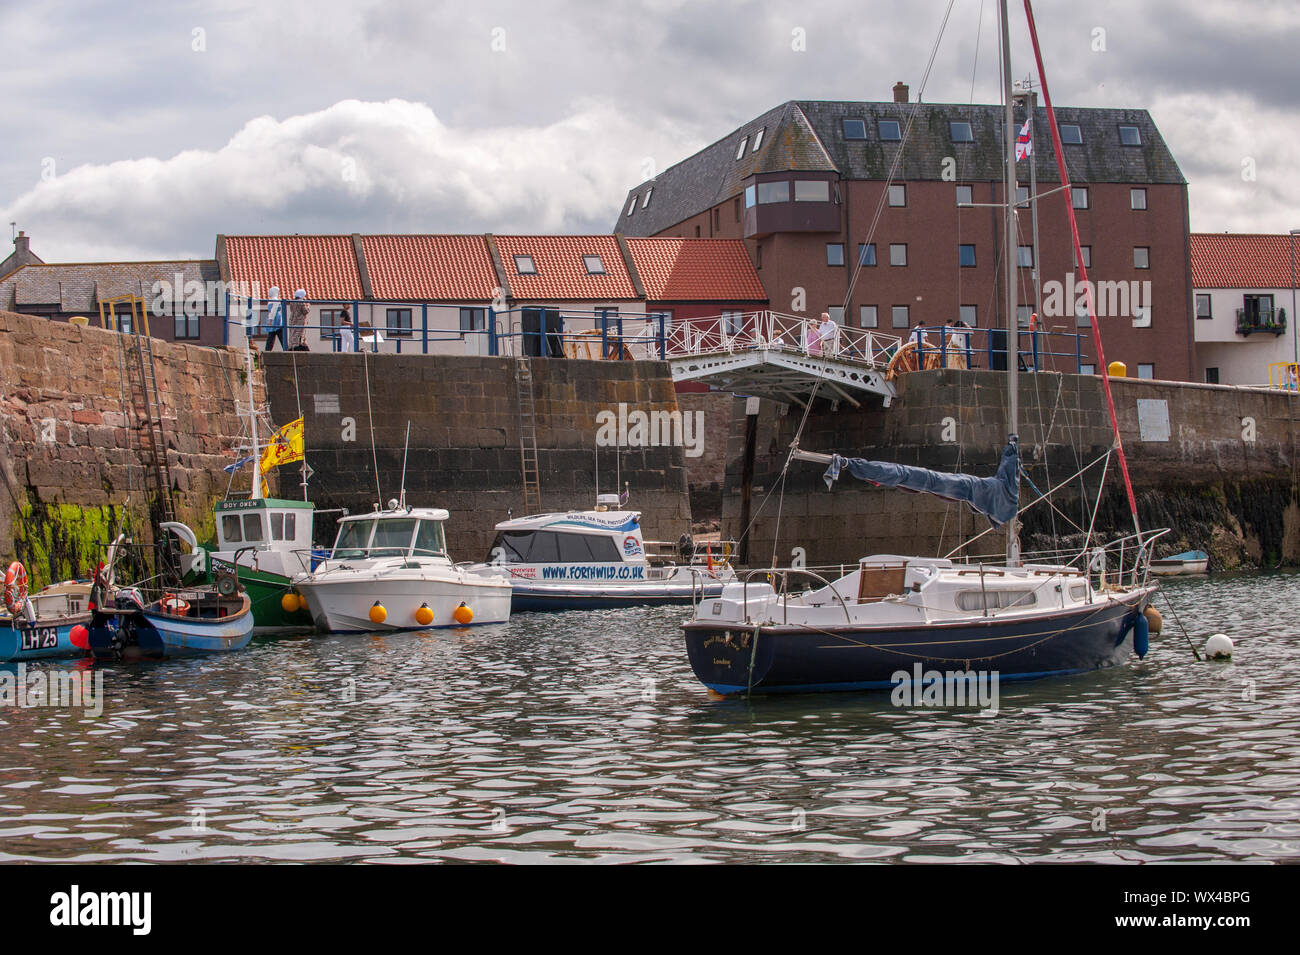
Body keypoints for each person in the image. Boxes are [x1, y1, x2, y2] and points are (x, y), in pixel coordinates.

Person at [263, 286, 287, 352]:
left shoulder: (270, 301)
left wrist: (270, 319)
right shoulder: (276, 300)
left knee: (272, 335)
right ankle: (285, 349)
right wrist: (271, 320)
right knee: (280, 335)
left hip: (272, 318)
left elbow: (272, 310)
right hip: (276, 319)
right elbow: (274, 310)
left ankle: (267, 350)